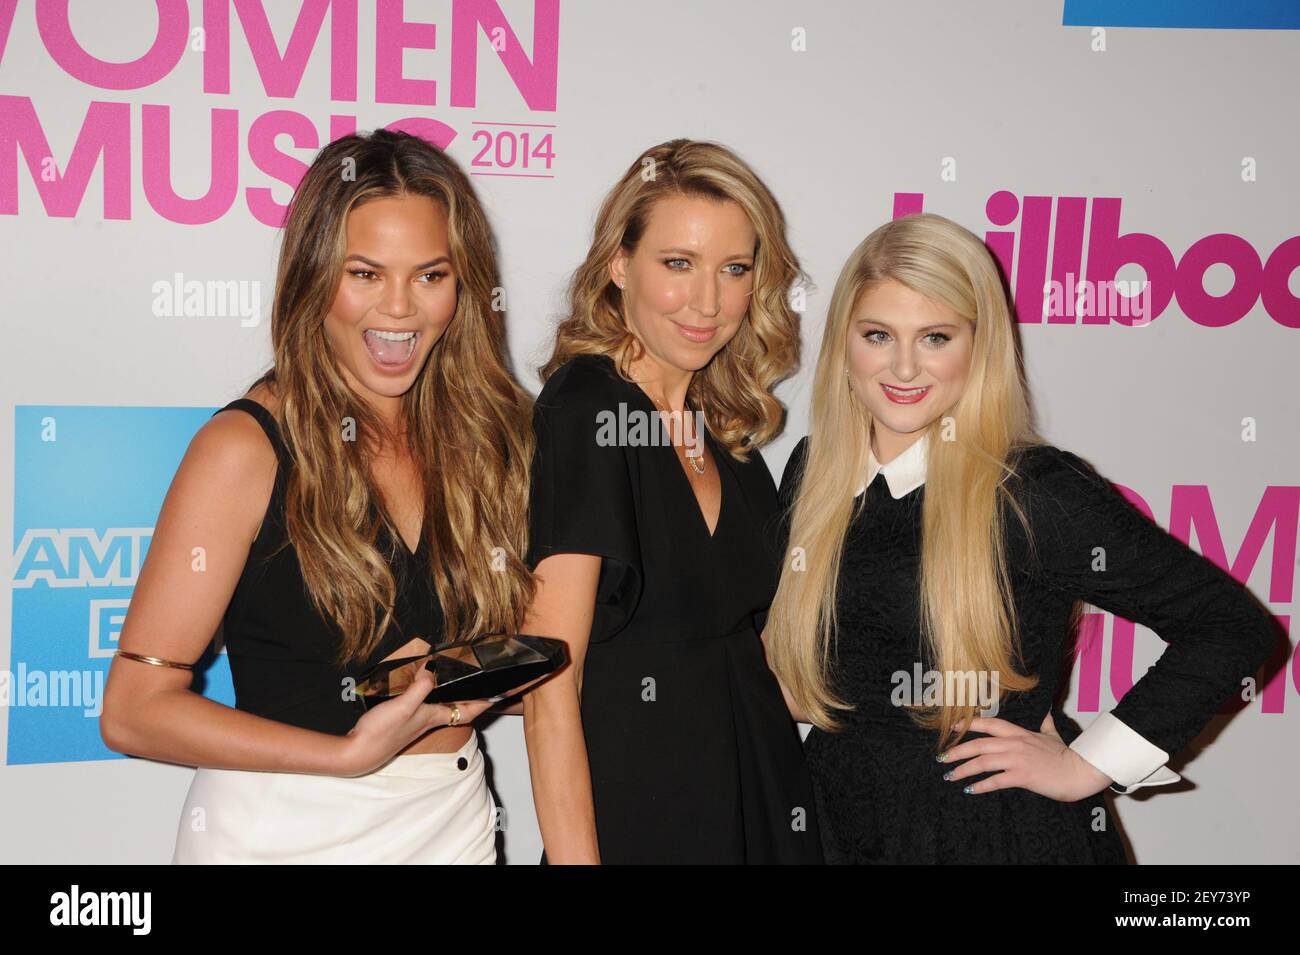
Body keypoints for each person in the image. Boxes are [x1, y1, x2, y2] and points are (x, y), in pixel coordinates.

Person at [763, 212, 1278, 864]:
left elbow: (1229, 624)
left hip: (990, 831)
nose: (903, 365)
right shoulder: (812, 472)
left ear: (979, 346)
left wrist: (1088, 763)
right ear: (845, 342)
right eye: (878, 334)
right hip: (834, 820)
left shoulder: (1032, 489)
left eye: (935, 337)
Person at [100, 129, 536, 864]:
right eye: (364, 273)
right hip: (287, 831)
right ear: (312, 274)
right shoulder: (244, 449)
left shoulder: (490, 438)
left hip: (453, 821)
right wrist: (345, 756)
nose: (399, 310)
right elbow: (133, 711)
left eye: (431, 275)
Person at [518, 139, 824, 863]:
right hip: (641, 809)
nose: (707, 301)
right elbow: (549, 681)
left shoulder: (729, 438)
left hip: (763, 798)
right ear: (619, 265)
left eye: (735, 269)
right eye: (678, 264)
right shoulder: (588, 405)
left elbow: (760, 664)